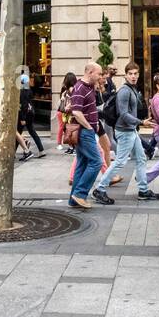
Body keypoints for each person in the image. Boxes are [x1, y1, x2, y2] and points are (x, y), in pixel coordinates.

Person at [91, 62, 157, 202]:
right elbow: (123, 114)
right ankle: (100, 189)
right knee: (120, 161)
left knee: (141, 158)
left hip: (131, 130)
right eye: (130, 74)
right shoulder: (125, 91)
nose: (133, 76)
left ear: (138, 75)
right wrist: (141, 122)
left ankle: (143, 190)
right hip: (125, 131)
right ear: (126, 75)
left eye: (135, 74)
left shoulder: (132, 89)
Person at [66, 63, 106, 210]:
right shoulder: (80, 87)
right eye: (99, 73)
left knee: (82, 165)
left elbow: (75, 108)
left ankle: (73, 199)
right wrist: (89, 127)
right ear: (90, 72)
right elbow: (76, 112)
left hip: (87, 131)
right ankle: (80, 194)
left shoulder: (88, 87)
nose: (100, 76)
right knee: (96, 162)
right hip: (84, 132)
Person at [17, 73, 45, 159]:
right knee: (31, 131)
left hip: (25, 114)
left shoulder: (21, 91)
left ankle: (22, 151)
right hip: (31, 113)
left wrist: (22, 118)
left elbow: (23, 105)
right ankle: (41, 150)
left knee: (17, 133)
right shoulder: (29, 90)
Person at [57, 72, 77, 153]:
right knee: (67, 129)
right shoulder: (67, 89)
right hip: (67, 112)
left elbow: (74, 100)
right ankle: (72, 147)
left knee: (70, 129)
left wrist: (68, 105)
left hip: (70, 112)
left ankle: (74, 148)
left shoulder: (72, 89)